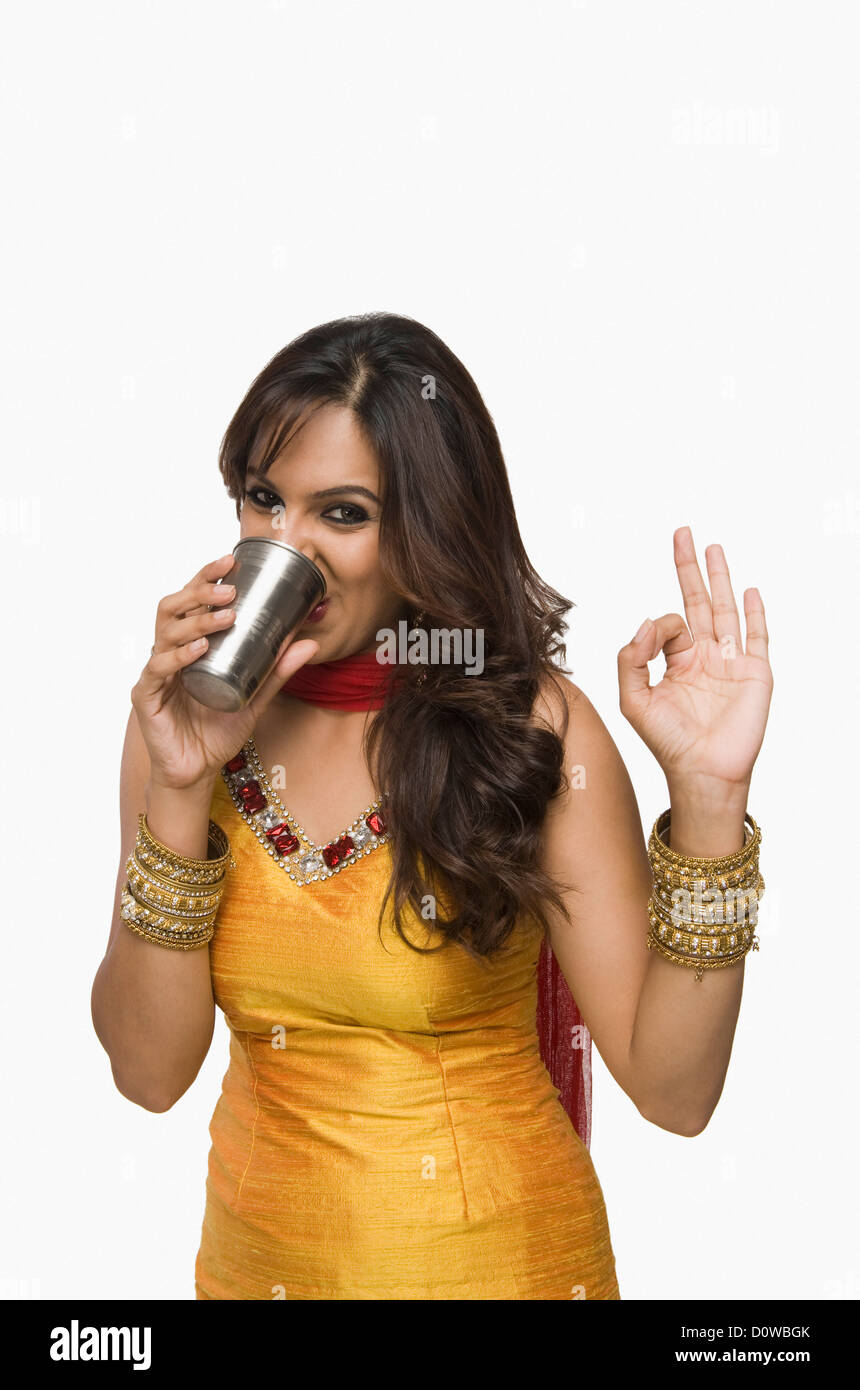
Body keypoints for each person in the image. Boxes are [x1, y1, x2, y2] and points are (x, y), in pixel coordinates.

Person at [91, 312, 773, 1300]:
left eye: (343, 513)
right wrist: (178, 779)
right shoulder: (181, 727)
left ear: (426, 525)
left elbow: (673, 1093)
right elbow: (148, 1075)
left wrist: (708, 802)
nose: (288, 546)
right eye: (263, 500)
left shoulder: (530, 728)